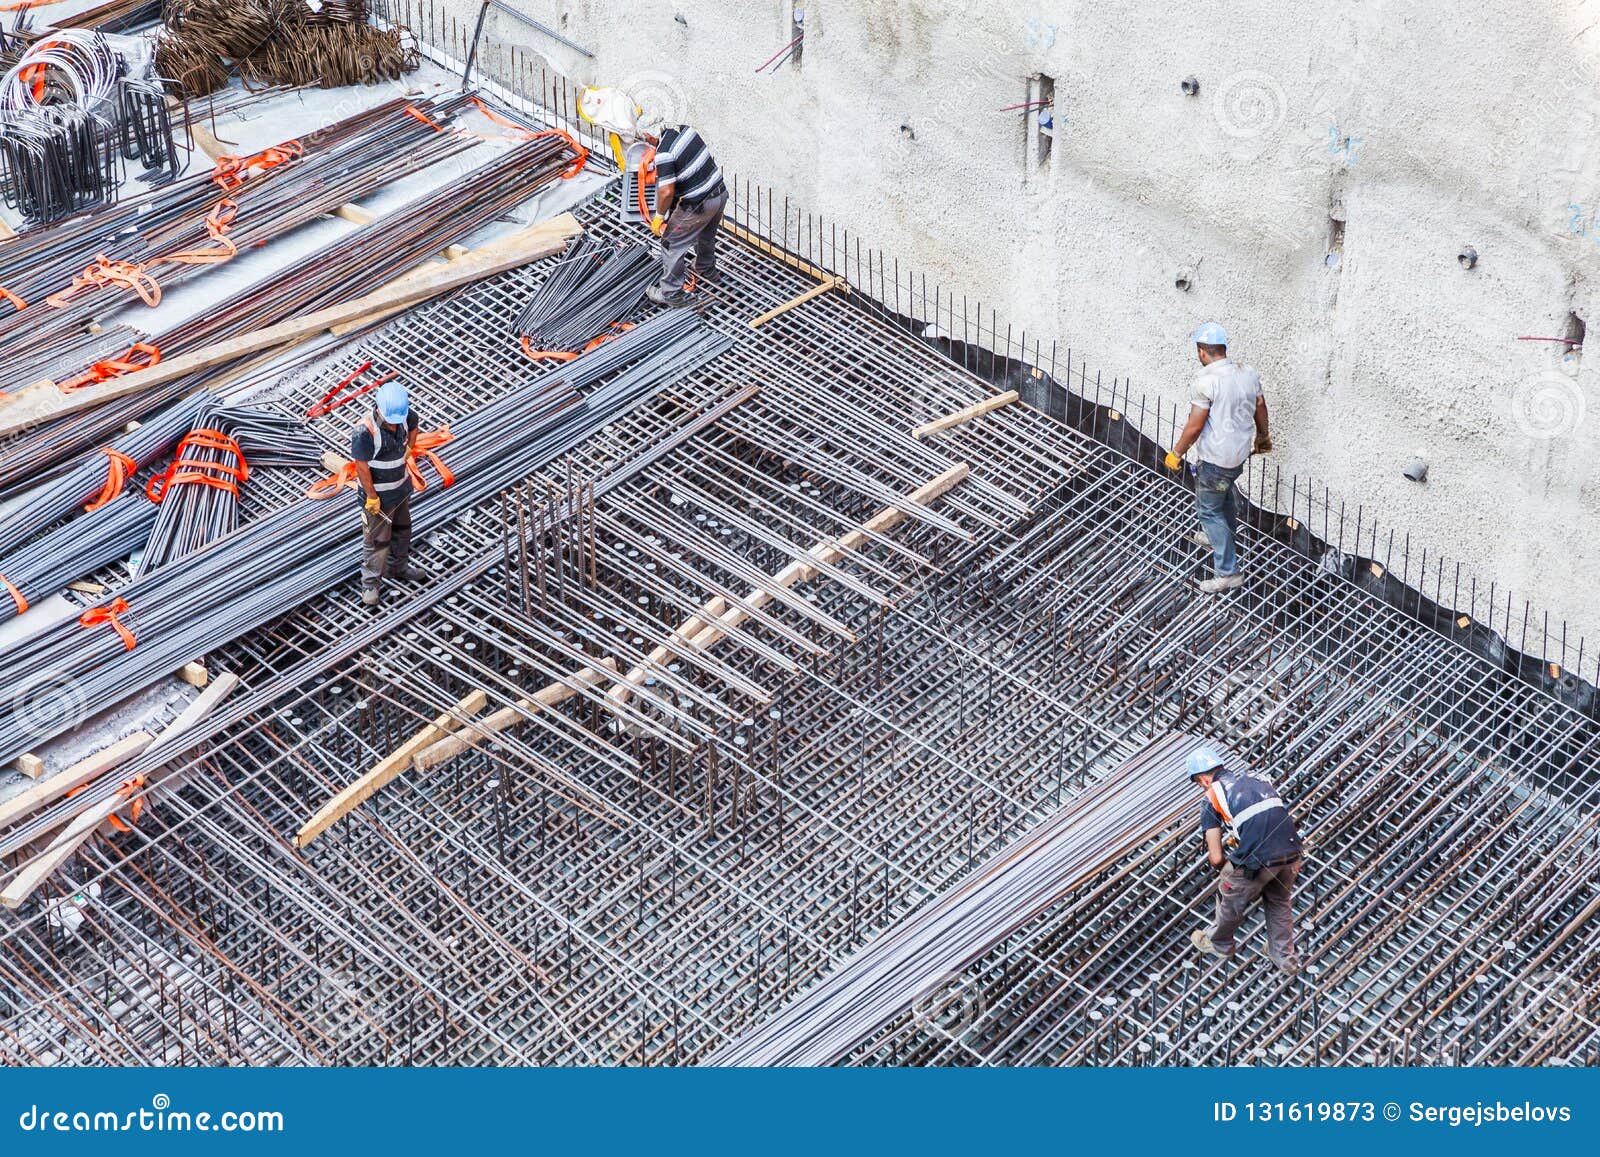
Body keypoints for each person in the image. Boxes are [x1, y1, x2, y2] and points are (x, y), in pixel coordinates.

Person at [1165, 322, 1271, 592]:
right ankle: (1219, 537)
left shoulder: (1205, 382)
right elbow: (1260, 406)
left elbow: (1195, 425)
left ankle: (1228, 572)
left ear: (1202, 352)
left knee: (1208, 509)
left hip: (1216, 459)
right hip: (1238, 455)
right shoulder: (1247, 373)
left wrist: (1177, 453)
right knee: (1222, 500)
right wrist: (1262, 437)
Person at [1186, 744, 1303, 975]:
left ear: (1203, 780)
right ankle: (1285, 959)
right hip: (1292, 854)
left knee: (1230, 889)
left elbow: (1216, 857)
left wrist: (1229, 871)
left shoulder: (1212, 795)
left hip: (1258, 860)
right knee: (1278, 902)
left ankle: (1219, 943)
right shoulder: (1258, 779)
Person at [637, 114, 727, 306]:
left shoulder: (663, 153)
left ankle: (671, 294)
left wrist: (659, 217)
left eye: (645, 138)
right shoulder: (685, 130)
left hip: (699, 204)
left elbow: (667, 191)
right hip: (719, 193)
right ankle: (706, 269)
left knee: (671, 242)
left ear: (650, 135)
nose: (647, 142)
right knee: (705, 235)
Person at [350, 381, 426, 607]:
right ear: (379, 408)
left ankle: (398, 568)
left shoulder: (403, 415)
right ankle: (371, 583)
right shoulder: (364, 431)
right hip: (378, 498)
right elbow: (362, 467)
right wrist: (372, 496)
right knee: (377, 541)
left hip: (401, 489)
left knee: (402, 531)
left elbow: (414, 423)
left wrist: (410, 446)